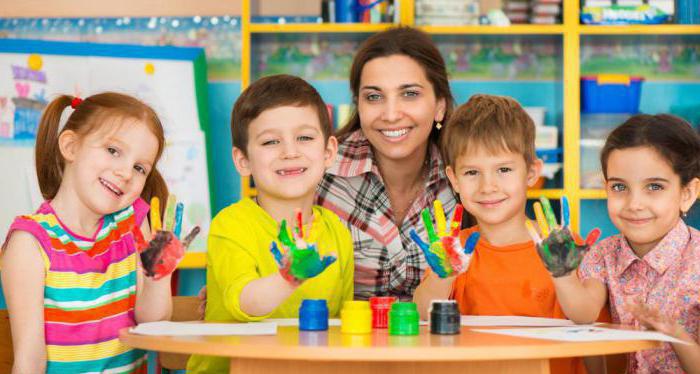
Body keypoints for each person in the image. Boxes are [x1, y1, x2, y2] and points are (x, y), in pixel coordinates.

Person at [187, 75, 354, 373]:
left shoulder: (337, 232)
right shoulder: (232, 224)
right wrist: (288, 278)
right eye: (270, 141)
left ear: (328, 152)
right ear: (243, 161)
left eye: (304, 137)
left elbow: (341, 325)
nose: (289, 152)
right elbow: (245, 303)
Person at [413, 94, 589, 374]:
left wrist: (565, 276)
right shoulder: (454, 251)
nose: (488, 186)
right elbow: (421, 315)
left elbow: (589, 324)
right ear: (454, 178)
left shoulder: (562, 248)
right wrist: (443, 274)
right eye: (472, 172)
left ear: (532, 172)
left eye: (504, 169)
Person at [1, 92, 176, 373]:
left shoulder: (133, 223)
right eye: (113, 151)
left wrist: (157, 278)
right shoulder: (30, 242)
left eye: (140, 167)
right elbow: (29, 359)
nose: (126, 173)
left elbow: (152, 325)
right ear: (70, 147)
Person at [316, 26, 469, 300]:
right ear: (358, 106)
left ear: (440, 106)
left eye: (409, 94)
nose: (390, 114)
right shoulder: (319, 172)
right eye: (374, 97)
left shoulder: (466, 175)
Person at [543, 114, 700, 373]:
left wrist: (674, 333)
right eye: (619, 187)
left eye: (654, 187)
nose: (634, 204)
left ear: (687, 193)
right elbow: (584, 314)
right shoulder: (604, 254)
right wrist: (562, 273)